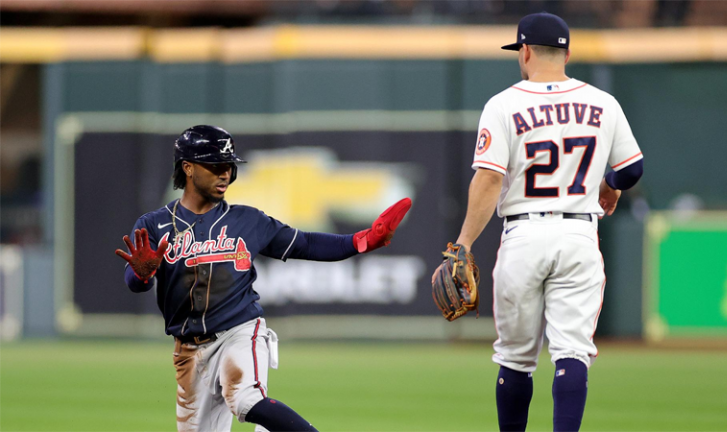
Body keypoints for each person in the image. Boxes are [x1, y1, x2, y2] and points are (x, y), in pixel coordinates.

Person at [116, 125, 412, 432]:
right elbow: (135, 283)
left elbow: (306, 243)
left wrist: (363, 240)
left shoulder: (247, 220)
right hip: (188, 352)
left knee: (245, 398)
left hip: (239, 332)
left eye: (230, 166)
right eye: (216, 165)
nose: (226, 174)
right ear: (187, 167)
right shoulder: (155, 224)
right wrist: (141, 273)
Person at [433, 12, 644, 432]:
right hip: (579, 233)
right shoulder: (603, 102)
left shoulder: (504, 103)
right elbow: (632, 169)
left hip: (524, 234)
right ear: (566, 53)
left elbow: (491, 177)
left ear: (525, 51)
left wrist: (464, 241)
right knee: (572, 352)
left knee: (514, 356)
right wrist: (610, 185)